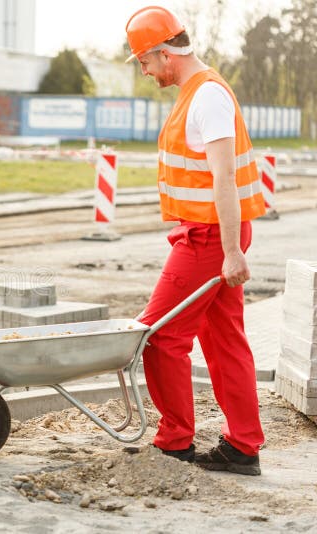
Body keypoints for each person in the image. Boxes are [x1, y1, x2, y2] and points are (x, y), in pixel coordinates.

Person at [125, 6, 266, 475]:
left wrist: (230, 252)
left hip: (209, 236)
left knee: (161, 335)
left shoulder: (206, 97)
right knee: (224, 338)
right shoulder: (198, 92)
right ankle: (243, 446)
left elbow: (223, 177)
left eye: (144, 63)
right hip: (210, 232)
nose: (144, 73)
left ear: (163, 54)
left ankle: (174, 442)